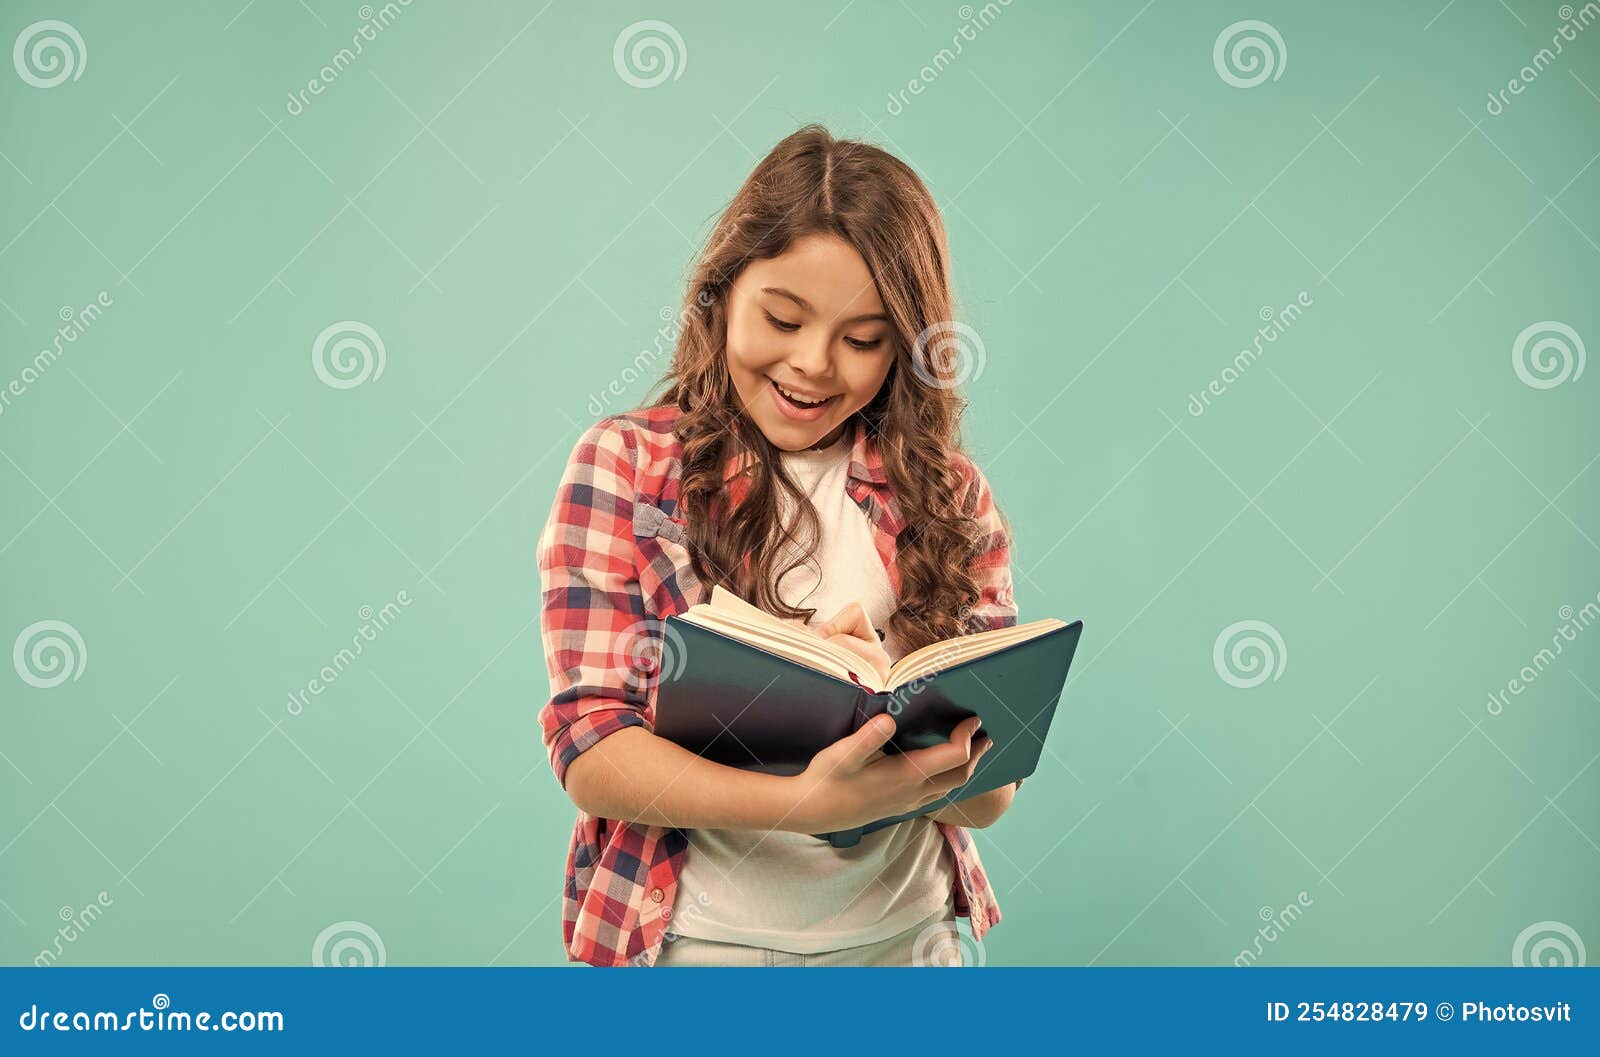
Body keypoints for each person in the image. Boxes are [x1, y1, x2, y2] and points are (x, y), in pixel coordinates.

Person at [536, 124, 1020, 967]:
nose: (812, 364)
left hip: (911, 946)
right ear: (723, 291)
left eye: (862, 340)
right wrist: (807, 804)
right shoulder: (625, 466)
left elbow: (990, 797)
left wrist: (890, 708)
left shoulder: (950, 496)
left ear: (904, 349)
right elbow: (594, 749)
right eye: (784, 317)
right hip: (700, 948)